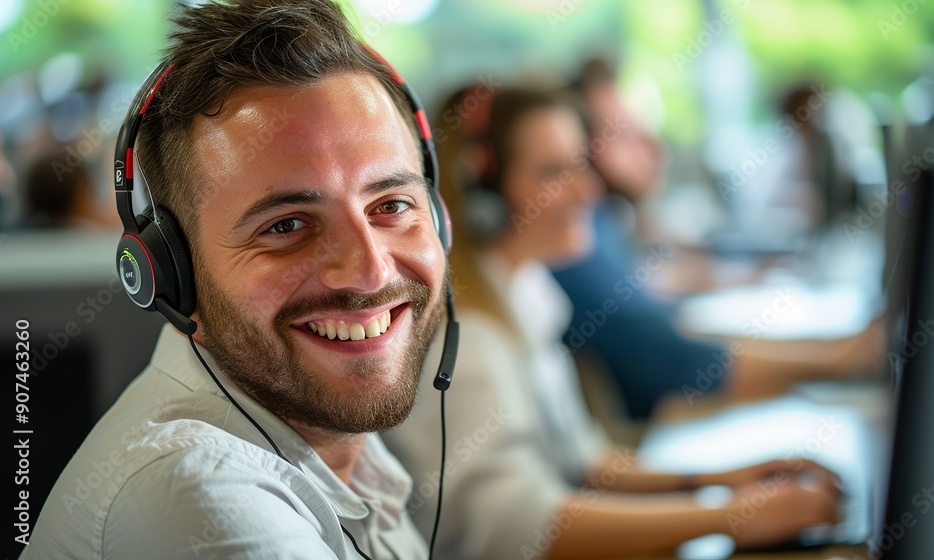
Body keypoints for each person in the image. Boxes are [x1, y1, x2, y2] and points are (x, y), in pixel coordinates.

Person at [22, 1, 450, 558]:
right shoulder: (198, 492)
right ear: (171, 272)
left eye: (391, 204)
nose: (370, 271)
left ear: (439, 220)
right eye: (287, 224)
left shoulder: (336, 449)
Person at [383, 85, 841, 560]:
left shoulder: (529, 293)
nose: (589, 190)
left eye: (581, 165)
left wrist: (722, 481)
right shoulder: (467, 339)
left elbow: (584, 461)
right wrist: (726, 518)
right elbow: (515, 526)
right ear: (486, 201)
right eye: (555, 172)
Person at [552, 59, 881, 420]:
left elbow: (668, 308)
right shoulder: (576, 241)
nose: (654, 149)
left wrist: (834, 352)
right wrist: (837, 359)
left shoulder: (606, 227)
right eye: (624, 137)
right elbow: (667, 354)